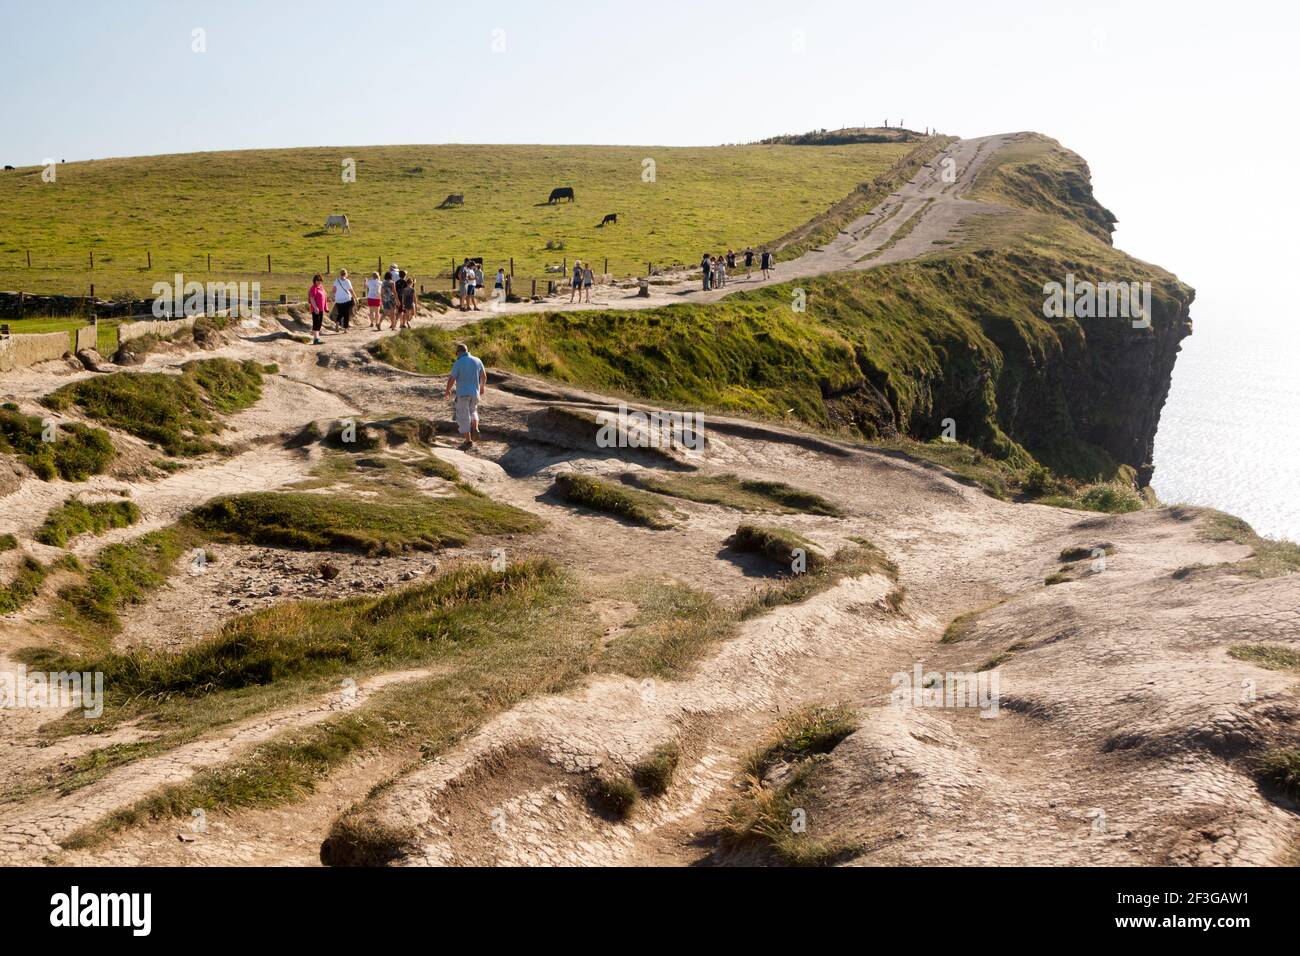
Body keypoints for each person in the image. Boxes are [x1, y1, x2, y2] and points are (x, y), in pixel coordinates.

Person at [443, 341, 486, 449]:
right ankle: (475, 428)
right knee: (473, 411)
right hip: (474, 393)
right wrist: (482, 387)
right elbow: (484, 376)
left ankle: (468, 440)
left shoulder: (458, 362)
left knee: (463, 416)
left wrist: (448, 390)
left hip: (462, 393)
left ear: (458, 352)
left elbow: (452, 378)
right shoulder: (477, 360)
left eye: (456, 353)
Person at [308, 274, 327, 344]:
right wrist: (315, 308)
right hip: (316, 309)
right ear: (315, 281)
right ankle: (315, 339)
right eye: (318, 280)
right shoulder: (313, 288)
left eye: (320, 280)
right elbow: (312, 299)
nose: (319, 281)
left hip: (321, 308)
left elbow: (324, 295)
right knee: (316, 323)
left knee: (319, 323)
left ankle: (317, 338)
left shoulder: (321, 287)